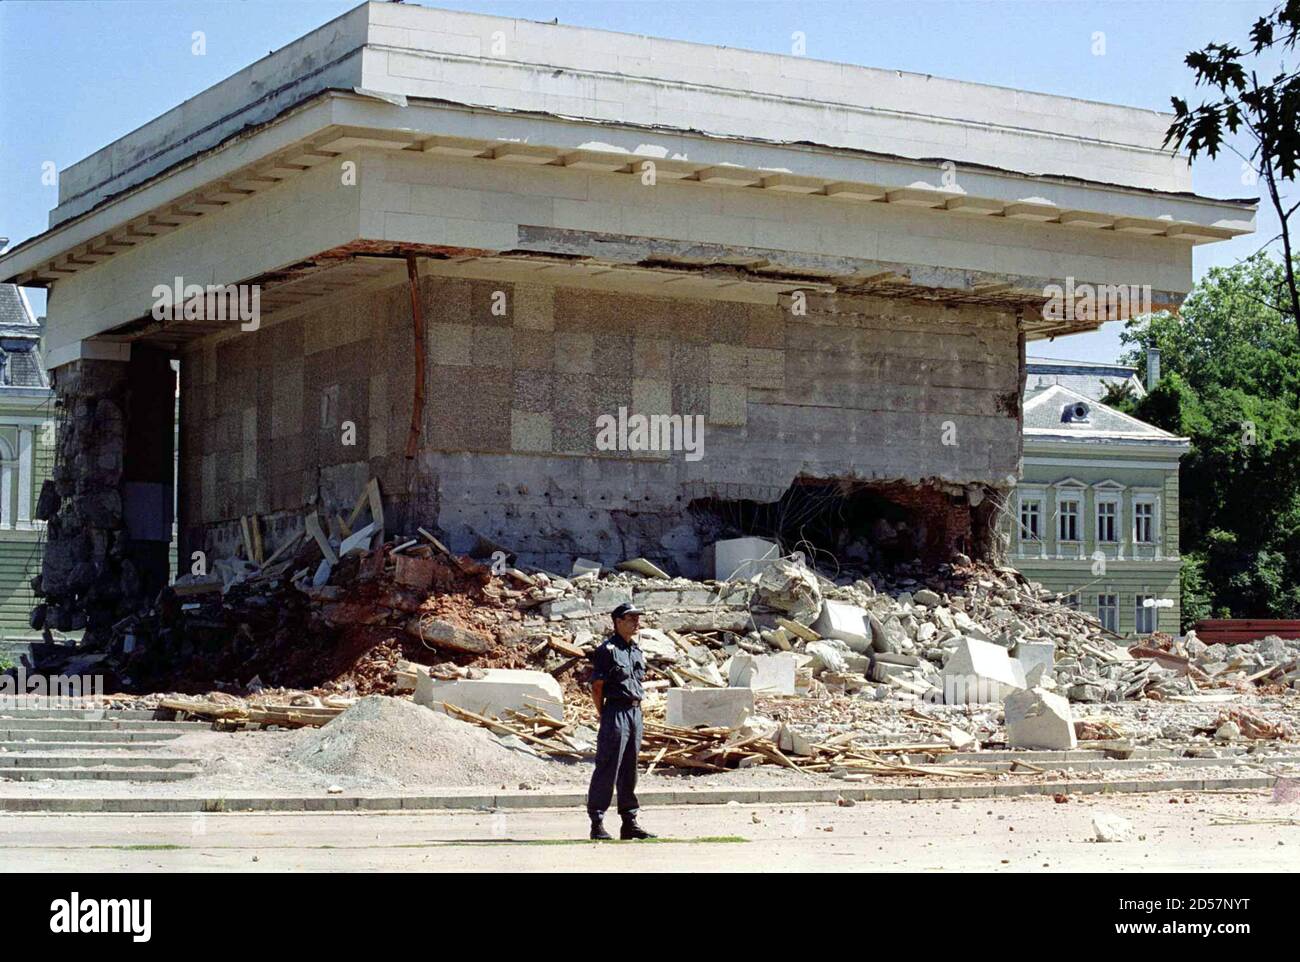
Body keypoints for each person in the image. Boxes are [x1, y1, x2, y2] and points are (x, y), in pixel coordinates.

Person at [585, 602, 657, 840]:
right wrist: (603, 714)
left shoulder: (635, 650)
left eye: (637, 618)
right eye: (630, 618)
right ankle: (597, 822)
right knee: (608, 767)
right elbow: (597, 687)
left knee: (629, 768)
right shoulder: (607, 650)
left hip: (635, 712)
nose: (636, 622)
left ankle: (629, 822)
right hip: (615, 712)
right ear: (617, 622)